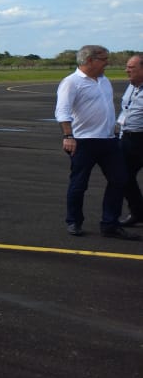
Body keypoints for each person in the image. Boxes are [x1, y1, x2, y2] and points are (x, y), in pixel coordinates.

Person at [55, 45, 138, 239]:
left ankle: (110, 223)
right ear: (90, 60)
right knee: (79, 184)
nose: (107, 62)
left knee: (119, 180)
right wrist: (68, 136)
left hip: (109, 141)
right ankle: (74, 221)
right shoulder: (72, 82)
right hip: (83, 141)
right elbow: (62, 111)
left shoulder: (104, 81)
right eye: (104, 59)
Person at [117, 54, 143, 227]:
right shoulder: (131, 86)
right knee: (124, 176)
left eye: (131, 68)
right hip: (128, 139)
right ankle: (138, 212)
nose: (127, 70)